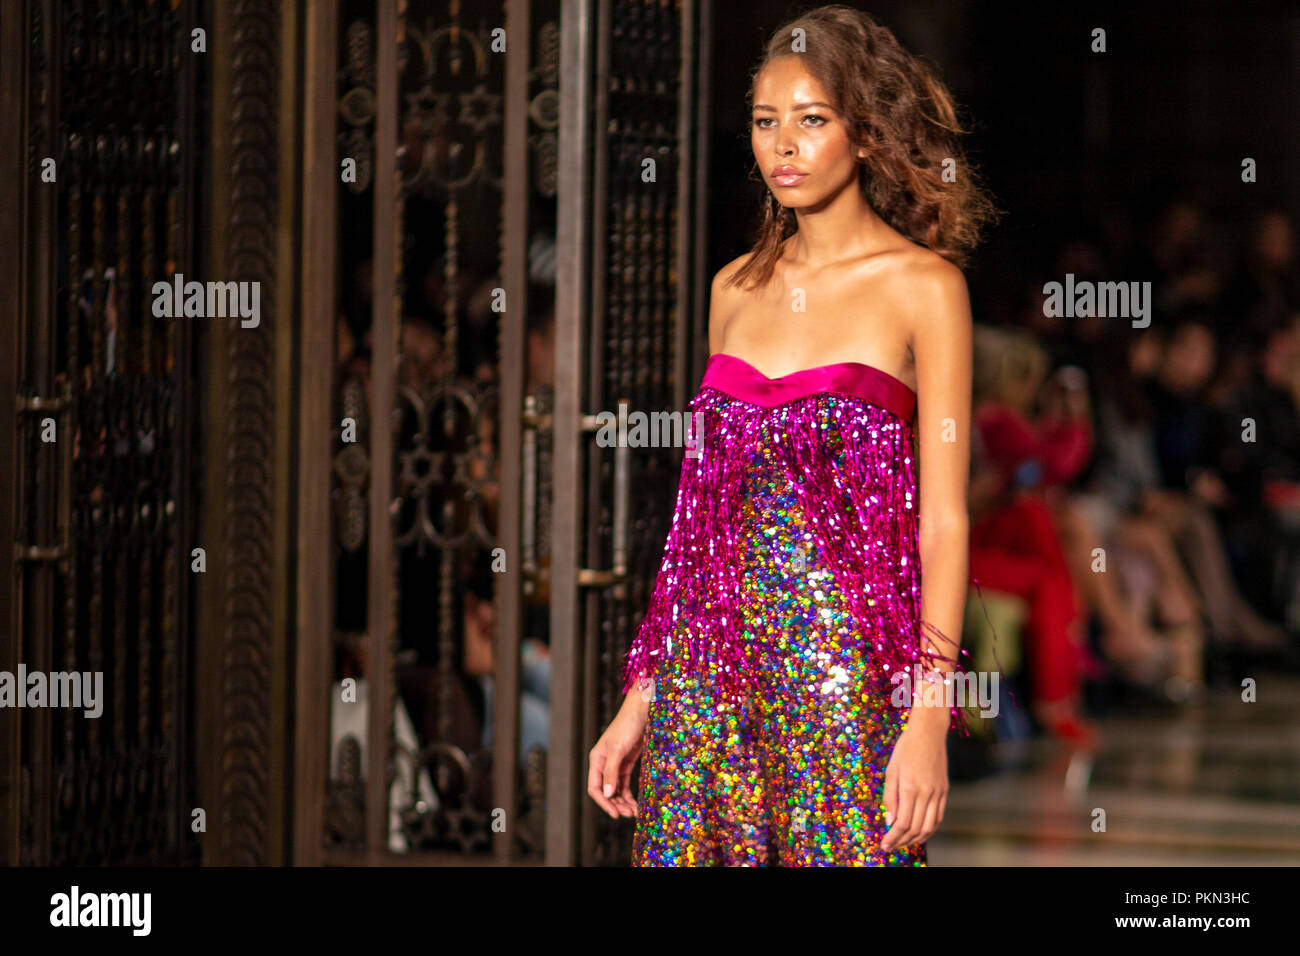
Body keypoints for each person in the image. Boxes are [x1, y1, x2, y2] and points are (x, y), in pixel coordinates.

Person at [588, 5, 1000, 866]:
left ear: (864, 130)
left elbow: (944, 522)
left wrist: (928, 717)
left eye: (811, 121)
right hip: (709, 678)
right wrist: (642, 693)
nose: (785, 146)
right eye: (767, 123)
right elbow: (699, 527)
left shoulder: (924, 288)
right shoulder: (732, 288)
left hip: (843, 672)